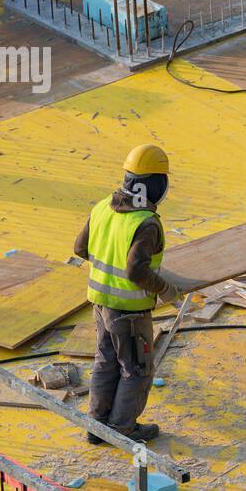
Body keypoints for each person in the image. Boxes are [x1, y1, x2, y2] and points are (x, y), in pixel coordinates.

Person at [74, 144, 192, 443]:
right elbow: (136, 271)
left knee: (106, 361)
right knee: (136, 369)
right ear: (156, 184)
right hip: (128, 309)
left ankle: (97, 426)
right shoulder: (146, 222)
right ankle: (122, 429)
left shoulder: (102, 207)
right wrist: (166, 290)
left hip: (100, 303)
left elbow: (80, 248)